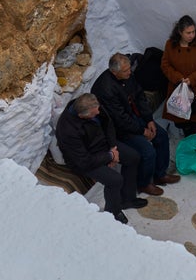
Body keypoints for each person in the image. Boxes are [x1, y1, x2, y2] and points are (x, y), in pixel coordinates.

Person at [92, 53, 180, 196]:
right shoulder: (105, 89)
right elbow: (119, 119)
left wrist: (149, 119)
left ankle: (160, 174)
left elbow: (139, 96)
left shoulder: (127, 76)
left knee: (161, 136)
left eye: (129, 69)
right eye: (126, 71)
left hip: (133, 116)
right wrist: (142, 130)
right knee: (147, 151)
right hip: (118, 128)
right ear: (114, 72)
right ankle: (144, 184)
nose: (130, 72)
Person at [55, 93, 146, 224]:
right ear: (83, 116)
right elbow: (83, 161)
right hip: (84, 159)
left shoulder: (91, 105)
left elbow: (108, 123)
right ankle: (112, 213)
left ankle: (127, 198)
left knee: (133, 157)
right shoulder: (68, 130)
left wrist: (113, 148)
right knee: (115, 180)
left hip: (104, 145)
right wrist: (109, 157)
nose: (99, 112)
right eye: (94, 113)